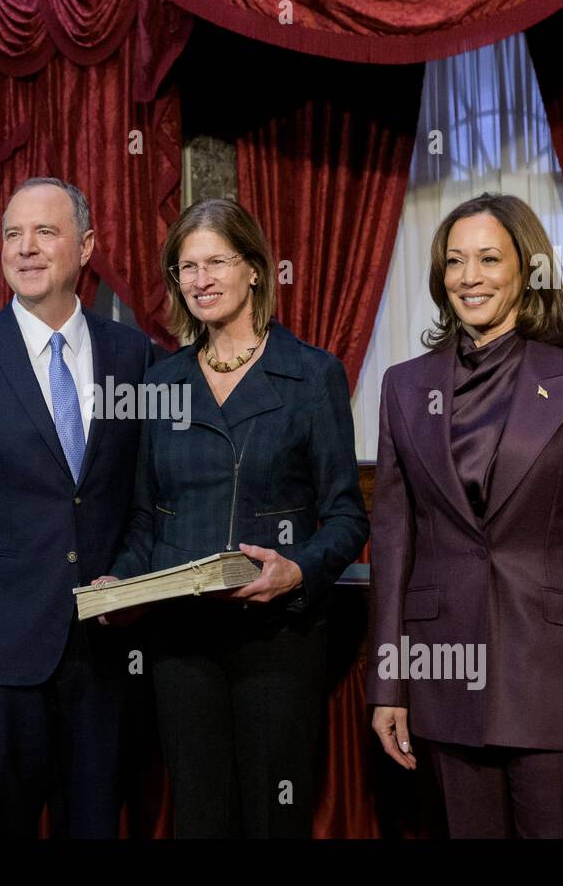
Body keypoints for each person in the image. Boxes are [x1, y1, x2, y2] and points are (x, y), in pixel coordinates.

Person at [367, 192, 563, 838]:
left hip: (559, 684)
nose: (468, 277)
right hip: (444, 679)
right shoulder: (403, 386)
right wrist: (388, 684)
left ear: (527, 268)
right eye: (454, 261)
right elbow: (393, 544)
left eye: (487, 258)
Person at [97, 197, 369, 838]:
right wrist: (122, 583)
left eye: (216, 260)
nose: (200, 279)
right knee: (200, 818)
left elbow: (347, 518)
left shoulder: (312, 374)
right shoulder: (161, 383)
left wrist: (295, 570)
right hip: (180, 644)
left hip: (276, 640)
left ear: (254, 269)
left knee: (276, 818)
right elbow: (144, 521)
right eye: (186, 267)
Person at [0, 177, 159, 837]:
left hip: (107, 650)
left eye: (44, 232)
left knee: (97, 826)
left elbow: (146, 494)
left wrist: (131, 582)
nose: (25, 248)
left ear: (85, 247)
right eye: (13, 235)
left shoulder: (134, 355)